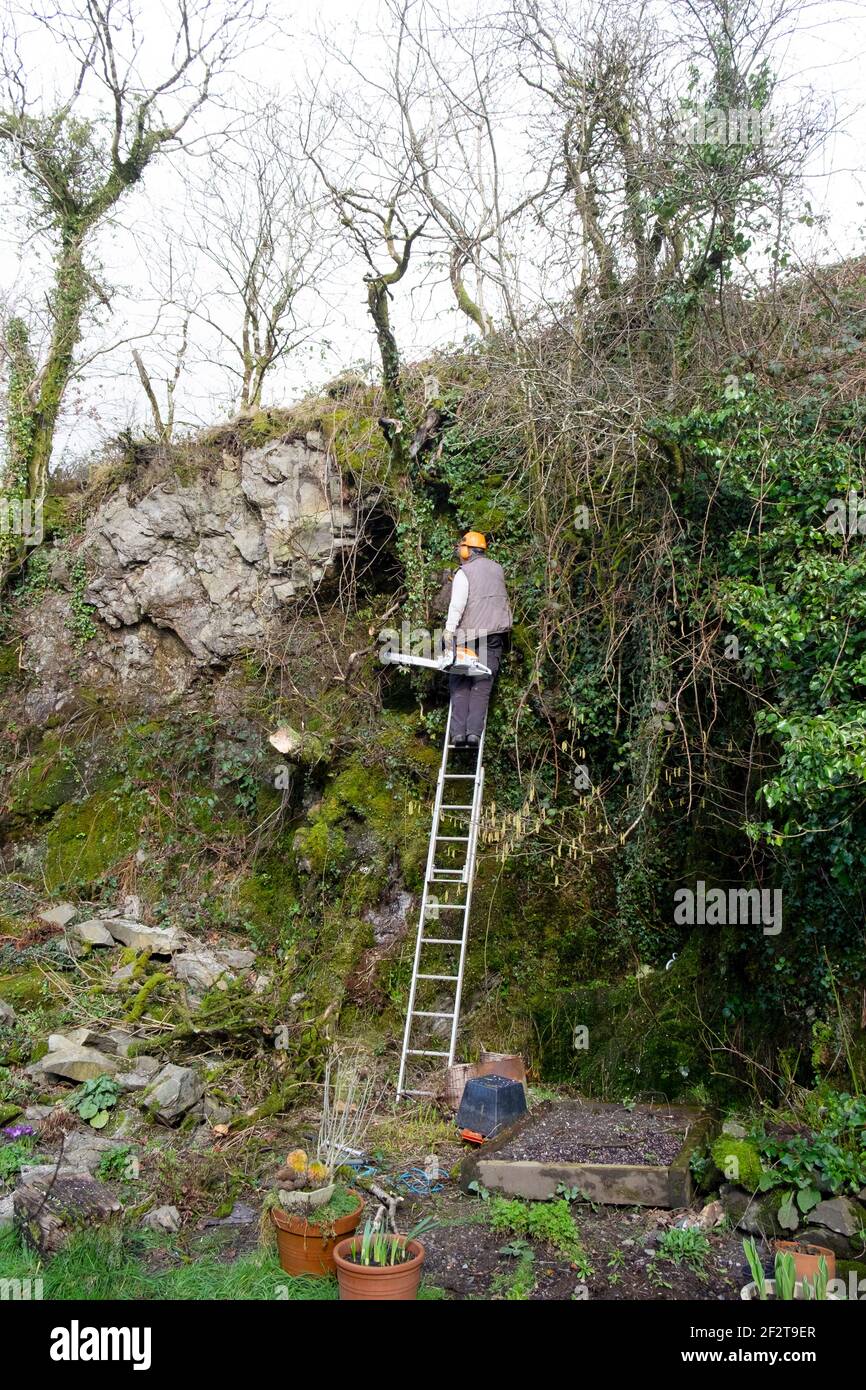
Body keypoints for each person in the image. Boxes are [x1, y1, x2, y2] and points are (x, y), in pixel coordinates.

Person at [443, 530, 512, 748]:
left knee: (460, 682)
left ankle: (458, 735)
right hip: (494, 637)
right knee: (482, 684)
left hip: (467, 637)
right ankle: (474, 733)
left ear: (466, 550)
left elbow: (457, 605)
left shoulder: (465, 573)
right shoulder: (498, 569)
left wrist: (448, 631)